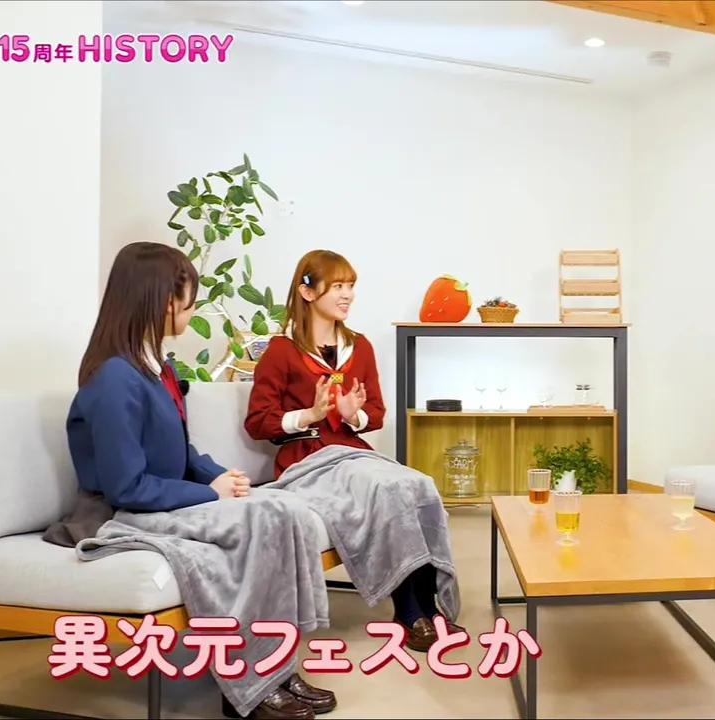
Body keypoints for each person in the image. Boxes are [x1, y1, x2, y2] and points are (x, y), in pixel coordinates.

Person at [47, 242, 336, 720]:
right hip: (119, 514)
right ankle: (249, 684)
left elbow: (178, 451)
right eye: (189, 299)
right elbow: (126, 487)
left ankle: (275, 666)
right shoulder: (115, 378)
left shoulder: (157, 368)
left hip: (162, 501)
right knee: (263, 520)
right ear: (166, 301)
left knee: (283, 511)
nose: (192, 307)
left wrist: (218, 475)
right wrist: (208, 493)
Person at [245, 249, 461, 652]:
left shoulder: (359, 347)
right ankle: (409, 611)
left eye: (350, 286)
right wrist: (309, 414)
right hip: (307, 462)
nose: (347, 295)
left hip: (353, 453)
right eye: (338, 287)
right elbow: (258, 421)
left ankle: (429, 606)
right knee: (389, 489)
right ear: (307, 292)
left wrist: (351, 415)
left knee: (419, 484)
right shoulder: (281, 351)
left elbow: (375, 412)